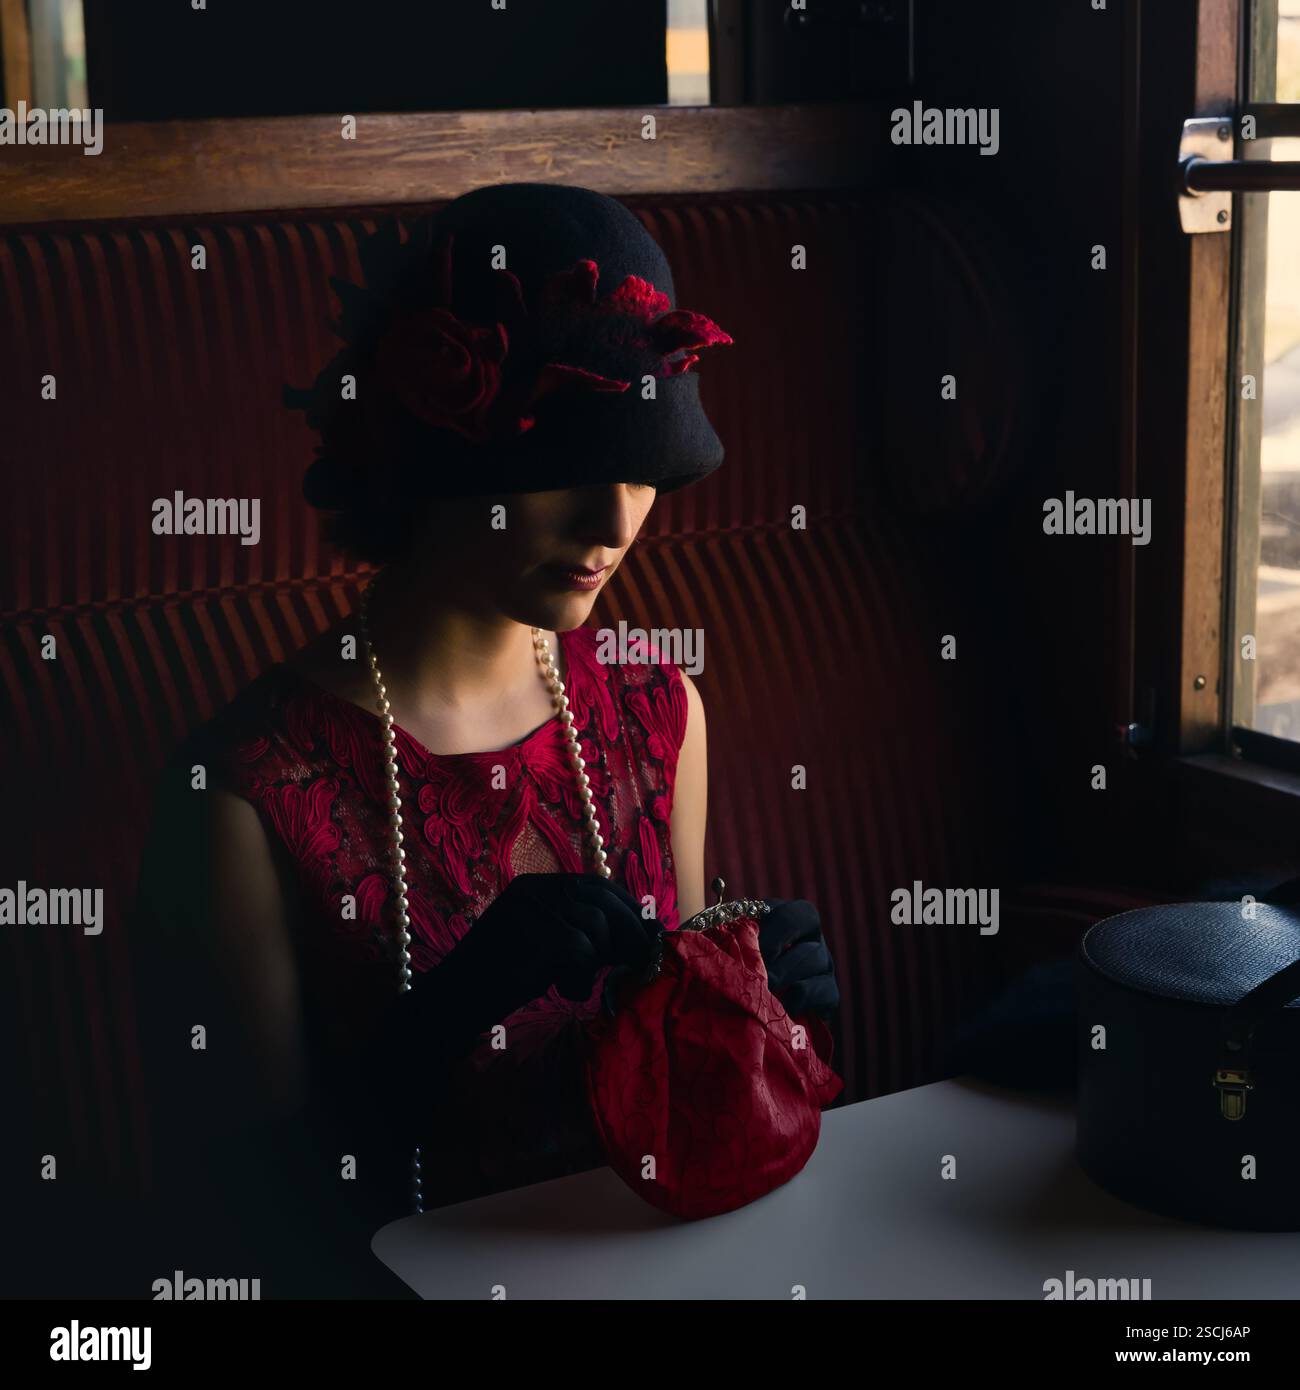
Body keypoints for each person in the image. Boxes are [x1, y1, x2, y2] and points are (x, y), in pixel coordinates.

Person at [132, 183, 838, 1296]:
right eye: (566, 464)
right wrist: (436, 1029)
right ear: (433, 455)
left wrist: (765, 1016)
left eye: (646, 465)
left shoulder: (659, 718)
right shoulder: (247, 797)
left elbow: (692, 1105)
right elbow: (240, 1224)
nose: (617, 523)